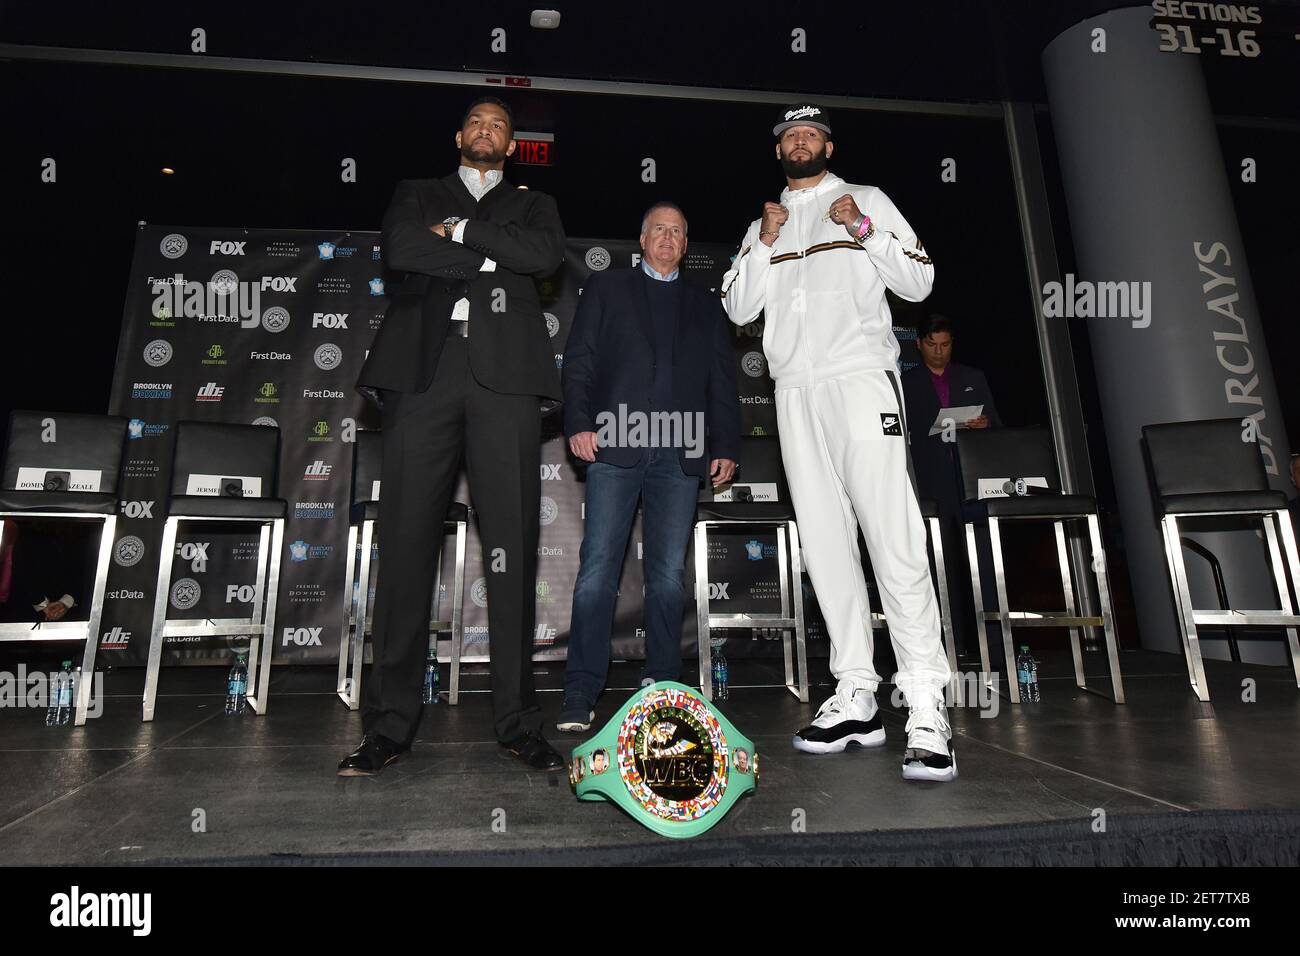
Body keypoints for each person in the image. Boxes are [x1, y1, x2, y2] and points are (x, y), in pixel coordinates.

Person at [721, 103, 955, 782]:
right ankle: (857, 694)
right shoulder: (764, 220)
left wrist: (862, 227)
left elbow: (918, 280)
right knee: (824, 544)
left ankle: (925, 703)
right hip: (794, 391)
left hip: (859, 381)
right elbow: (738, 309)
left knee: (893, 537)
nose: (800, 141)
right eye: (789, 135)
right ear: (778, 151)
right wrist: (763, 242)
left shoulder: (868, 200)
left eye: (811, 133)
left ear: (828, 143)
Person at [341, 96, 567, 776]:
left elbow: (543, 255)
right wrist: (492, 257)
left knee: (512, 548)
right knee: (407, 544)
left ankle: (517, 723)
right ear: (459, 135)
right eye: (477, 122)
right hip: (423, 373)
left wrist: (461, 233)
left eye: (500, 125)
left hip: (506, 382)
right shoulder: (416, 192)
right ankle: (390, 726)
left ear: (512, 145)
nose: (486, 130)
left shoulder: (535, 203)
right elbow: (402, 248)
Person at [557, 202, 740, 732]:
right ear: (641, 239)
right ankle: (580, 688)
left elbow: (721, 381)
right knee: (597, 572)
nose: (667, 238)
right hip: (615, 443)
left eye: (677, 232)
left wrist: (724, 443)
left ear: (686, 244)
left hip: (680, 453)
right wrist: (579, 421)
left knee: (665, 576)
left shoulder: (706, 305)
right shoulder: (607, 289)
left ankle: (664, 684)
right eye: (658, 229)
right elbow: (581, 361)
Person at [901, 314, 1002, 659]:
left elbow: (998, 426)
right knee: (938, 566)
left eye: (945, 344)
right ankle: (945, 646)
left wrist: (985, 424)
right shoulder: (907, 382)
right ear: (918, 344)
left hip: (973, 483)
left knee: (984, 563)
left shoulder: (973, 377)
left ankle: (994, 646)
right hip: (931, 485)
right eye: (932, 344)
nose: (939, 351)